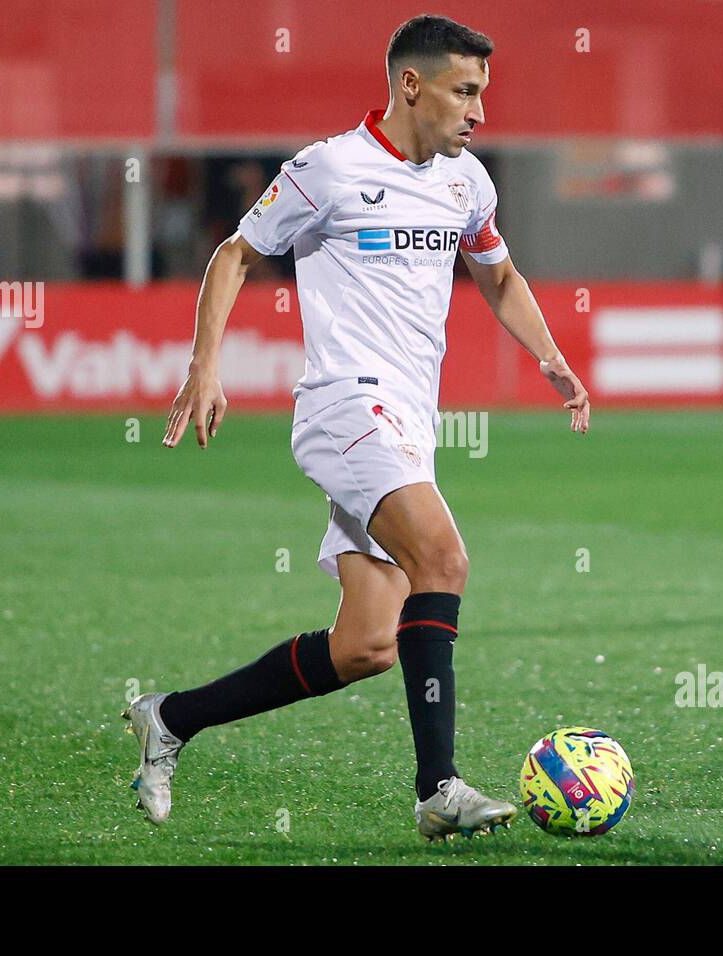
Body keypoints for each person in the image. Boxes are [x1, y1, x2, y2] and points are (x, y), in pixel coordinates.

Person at [124, 14, 590, 841]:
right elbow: (236, 252)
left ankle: (171, 719)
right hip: (343, 406)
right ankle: (438, 788)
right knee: (443, 556)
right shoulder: (329, 169)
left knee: (367, 645)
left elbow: (500, 272)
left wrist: (551, 357)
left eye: (483, 92)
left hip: (410, 421)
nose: (479, 111)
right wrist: (205, 364)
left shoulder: (466, 183)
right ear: (412, 85)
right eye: (465, 91)